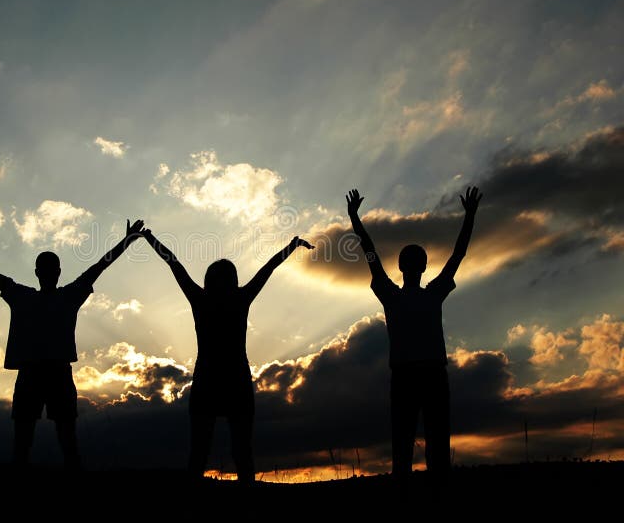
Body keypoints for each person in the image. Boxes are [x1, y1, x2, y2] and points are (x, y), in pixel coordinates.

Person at [0, 219, 145, 468]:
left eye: (50, 268)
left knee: (53, 439)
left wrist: (126, 241)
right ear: (45, 272)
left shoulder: (43, 296)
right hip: (40, 374)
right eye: (47, 268)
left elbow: (99, 267)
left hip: (49, 373)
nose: (49, 272)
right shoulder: (43, 296)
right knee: (35, 439)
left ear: (45, 272)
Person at [141, 228, 313, 485]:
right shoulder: (238, 297)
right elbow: (268, 269)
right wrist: (291, 247)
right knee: (240, 452)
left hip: (210, 380)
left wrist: (149, 238)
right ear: (232, 279)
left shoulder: (202, 298)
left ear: (209, 279)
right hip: (234, 379)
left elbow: (173, 263)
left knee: (202, 452)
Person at [345, 186, 482, 489]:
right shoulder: (418, 295)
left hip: (423, 374)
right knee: (412, 446)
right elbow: (458, 254)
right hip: (417, 375)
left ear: (408, 266)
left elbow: (371, 254)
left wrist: (356, 218)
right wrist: (355, 220)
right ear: (420, 266)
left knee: (419, 446)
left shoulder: (411, 295)